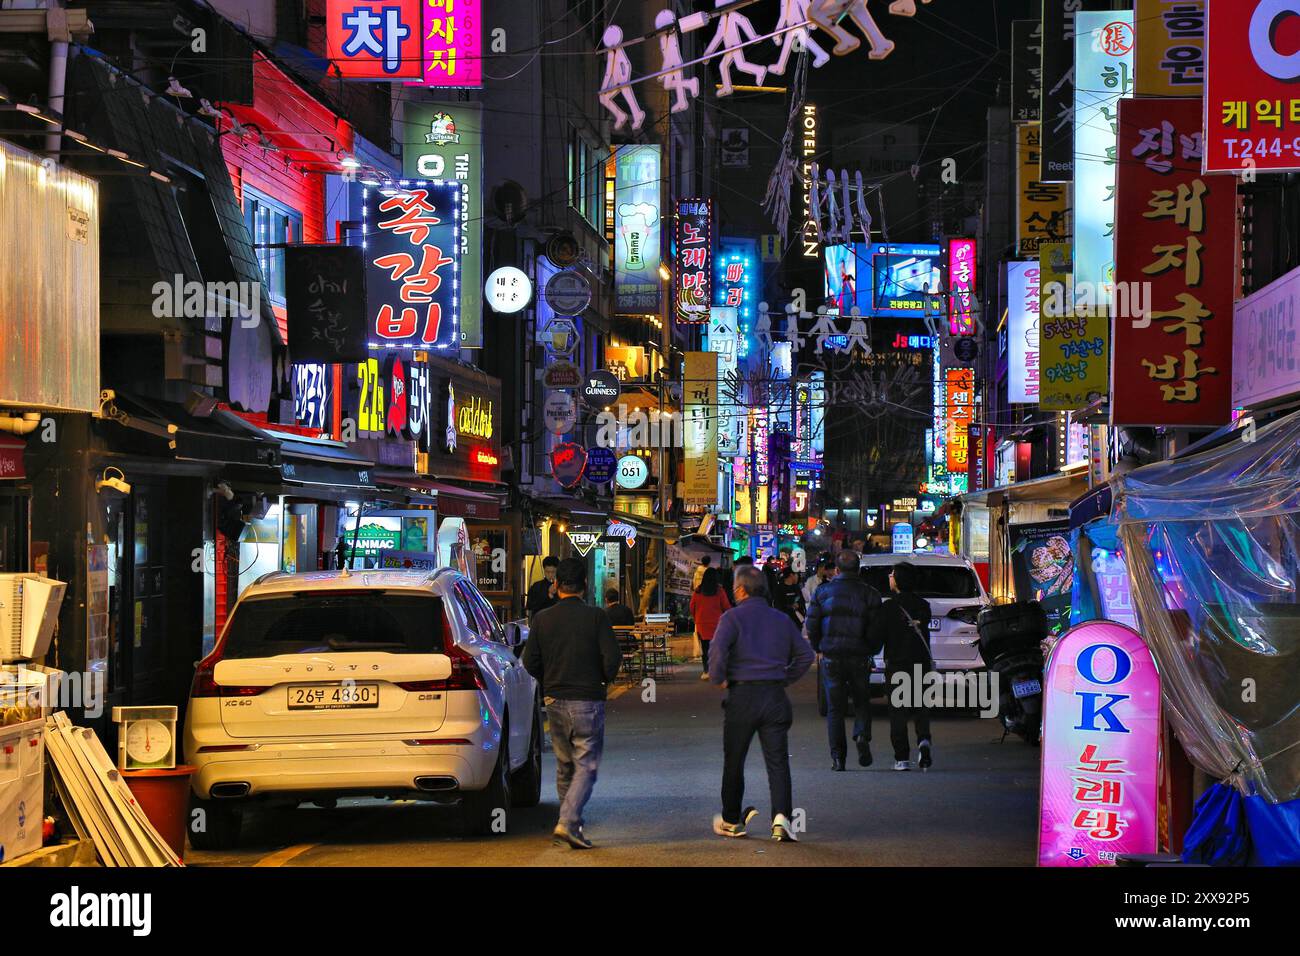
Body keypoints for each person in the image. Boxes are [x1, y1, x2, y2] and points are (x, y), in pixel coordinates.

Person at [708, 565, 814, 842]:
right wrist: (783, 678)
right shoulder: (781, 619)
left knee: (734, 761)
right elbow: (805, 655)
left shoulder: (731, 618)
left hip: (741, 697)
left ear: (740, 590)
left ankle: (732, 820)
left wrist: (720, 679)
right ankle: (781, 819)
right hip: (774, 696)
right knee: (778, 762)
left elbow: (716, 654)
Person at [521, 558, 622, 848]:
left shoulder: (542, 619)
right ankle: (567, 823)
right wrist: (603, 678)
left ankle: (571, 827)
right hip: (587, 699)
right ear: (585, 585)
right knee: (586, 765)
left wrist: (550, 680)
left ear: (556, 585)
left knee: (565, 766)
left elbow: (530, 662)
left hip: (554, 699)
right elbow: (611, 659)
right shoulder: (596, 617)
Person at [804, 549, 882, 771]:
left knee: (835, 709)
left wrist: (818, 647)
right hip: (859, 655)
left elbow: (812, 624)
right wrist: (871, 649)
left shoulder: (822, 592)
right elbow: (876, 629)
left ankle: (838, 758)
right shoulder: (870, 594)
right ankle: (861, 735)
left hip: (831, 655)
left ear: (836, 570)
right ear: (858, 570)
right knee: (861, 701)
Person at [870, 561, 934, 771]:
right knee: (920, 707)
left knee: (898, 711)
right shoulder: (924, 605)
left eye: (892, 574)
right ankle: (923, 740)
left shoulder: (889, 606)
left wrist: (869, 652)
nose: (889, 577)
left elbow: (877, 636)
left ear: (897, 580)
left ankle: (902, 758)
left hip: (897, 664)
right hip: (921, 663)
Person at [689, 567, 732, 681]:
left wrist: (697, 618)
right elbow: (726, 606)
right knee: (718, 647)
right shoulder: (719, 591)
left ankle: (706, 671)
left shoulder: (698, 591)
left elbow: (692, 607)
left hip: (702, 624)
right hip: (717, 623)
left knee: (705, 647)